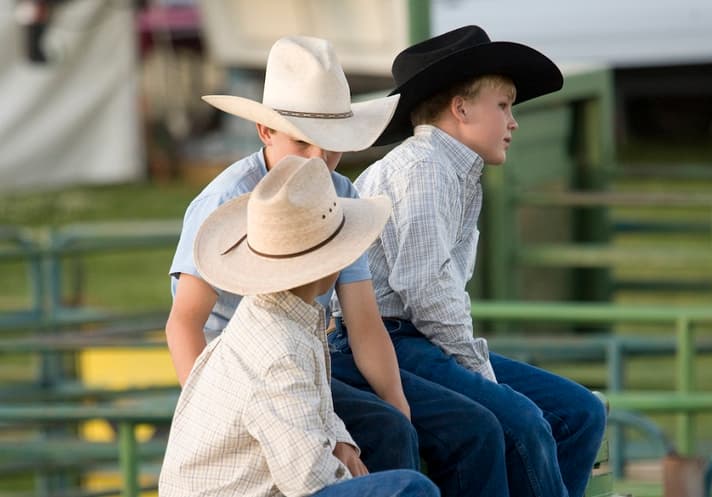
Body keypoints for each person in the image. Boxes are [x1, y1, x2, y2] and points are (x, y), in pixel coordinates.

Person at [333, 25, 607, 497]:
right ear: (460, 108)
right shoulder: (424, 169)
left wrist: (479, 371)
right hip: (384, 339)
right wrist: (480, 373)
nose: (514, 121)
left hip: (414, 338)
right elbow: (426, 289)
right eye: (503, 106)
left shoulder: (452, 170)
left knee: (581, 411)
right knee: (518, 421)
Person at [164, 34, 418, 472]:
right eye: (303, 143)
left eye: (333, 142)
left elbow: (363, 321)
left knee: (403, 425)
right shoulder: (226, 201)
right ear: (265, 130)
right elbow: (185, 321)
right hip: (241, 376)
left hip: (306, 361)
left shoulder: (339, 193)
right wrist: (213, 411)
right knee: (381, 432)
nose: (319, 158)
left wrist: (399, 405)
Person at [158, 155, 440, 497]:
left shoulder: (280, 318)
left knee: (389, 450)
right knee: (409, 488)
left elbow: (311, 404)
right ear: (328, 266)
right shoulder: (281, 349)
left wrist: (339, 440)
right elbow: (308, 479)